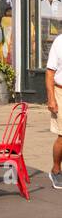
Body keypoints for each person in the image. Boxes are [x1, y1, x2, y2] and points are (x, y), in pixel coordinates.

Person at [47, 28, 62, 188]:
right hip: (60, 91)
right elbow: (50, 73)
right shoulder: (59, 42)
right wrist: (51, 99)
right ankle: (56, 169)